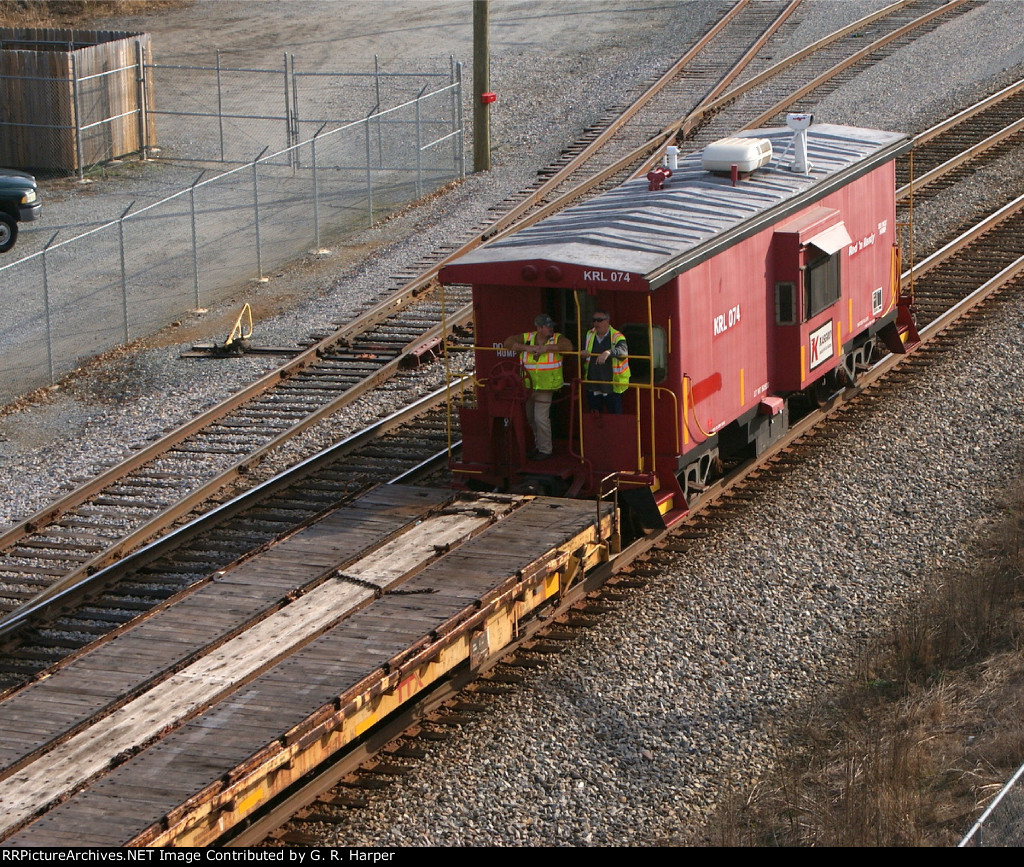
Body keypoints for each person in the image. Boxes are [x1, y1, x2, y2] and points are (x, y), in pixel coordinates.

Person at [504, 314, 573, 460]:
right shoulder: (527, 337)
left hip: (546, 387)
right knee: (531, 418)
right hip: (529, 387)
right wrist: (527, 348)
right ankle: (539, 445)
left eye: (551, 326)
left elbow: (568, 346)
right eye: (548, 326)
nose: (551, 328)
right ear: (539, 328)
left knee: (540, 418)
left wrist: (546, 348)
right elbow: (508, 342)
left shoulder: (557, 338)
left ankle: (545, 450)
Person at [580, 310, 629, 413]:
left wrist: (608, 352)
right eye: (594, 320)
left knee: (615, 418)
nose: (596, 323)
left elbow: (623, 351)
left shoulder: (617, 336)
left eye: (599, 320)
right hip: (593, 384)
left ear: (607, 321)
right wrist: (583, 353)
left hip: (611, 386)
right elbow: (584, 353)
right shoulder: (590, 334)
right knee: (595, 418)